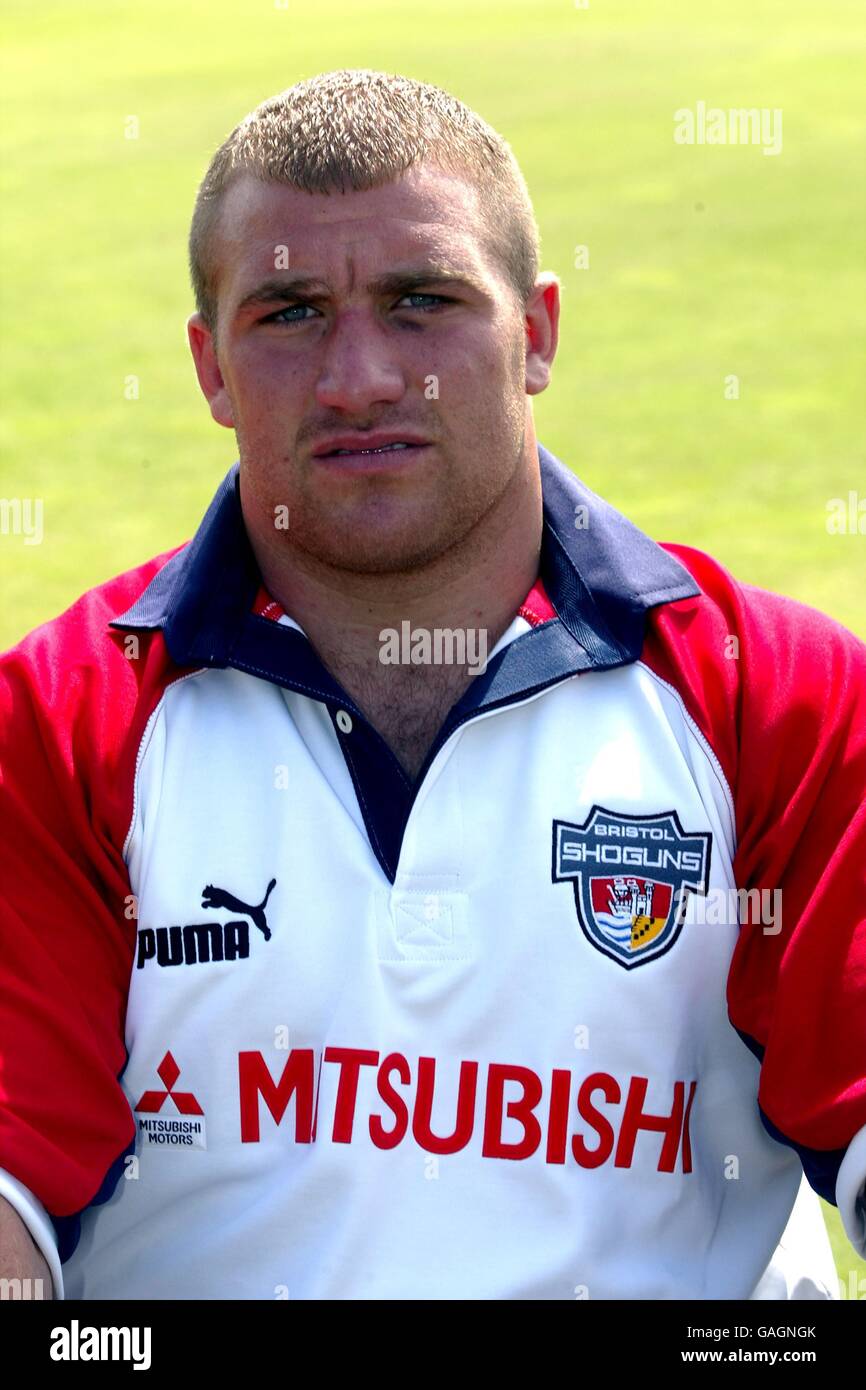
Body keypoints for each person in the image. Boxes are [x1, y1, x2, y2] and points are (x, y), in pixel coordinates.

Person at [1, 68, 864, 1302]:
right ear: (206, 367)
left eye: (423, 301)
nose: (359, 375)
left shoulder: (775, 697)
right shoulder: (57, 720)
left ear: (538, 334)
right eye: (290, 312)